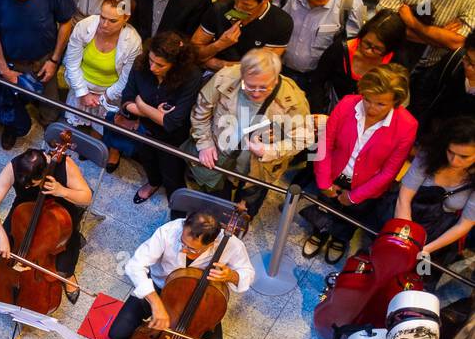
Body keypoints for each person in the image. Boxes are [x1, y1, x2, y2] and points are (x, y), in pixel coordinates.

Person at [303, 65, 416, 264]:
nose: (371, 108)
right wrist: (323, 181)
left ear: (396, 102)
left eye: (380, 104)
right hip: (332, 174)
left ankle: (339, 238)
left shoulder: (407, 126)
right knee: (323, 207)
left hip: (366, 187)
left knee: (351, 218)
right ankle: (319, 232)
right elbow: (324, 143)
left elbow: (389, 172)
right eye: (367, 99)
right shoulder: (347, 104)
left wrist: (355, 197)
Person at [109, 210, 255, 339]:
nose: (183, 250)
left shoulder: (231, 244)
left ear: (211, 244)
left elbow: (248, 273)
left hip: (202, 301)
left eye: (192, 249)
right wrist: (156, 304)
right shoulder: (168, 231)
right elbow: (135, 265)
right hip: (162, 290)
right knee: (118, 333)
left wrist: (232, 276)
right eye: (182, 242)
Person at [191, 49, 312, 216]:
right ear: (241, 74)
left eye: (264, 88)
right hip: (221, 159)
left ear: (276, 80)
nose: (256, 93)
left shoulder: (294, 99)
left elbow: (303, 138)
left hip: (259, 171)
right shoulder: (224, 79)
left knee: (247, 209)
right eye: (249, 86)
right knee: (216, 205)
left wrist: (269, 151)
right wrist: (204, 143)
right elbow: (201, 111)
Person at [0, 0, 76, 150]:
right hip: (11, 62)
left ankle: (49, 128)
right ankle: (12, 126)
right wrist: (4, 70)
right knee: (10, 102)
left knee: (50, 107)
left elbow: (66, 22)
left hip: (44, 60)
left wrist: (54, 60)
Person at [0, 141, 91, 303]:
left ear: (43, 174)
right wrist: (1, 236)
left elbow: (87, 197)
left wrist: (61, 191)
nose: (26, 187)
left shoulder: (65, 165)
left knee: (61, 268)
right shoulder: (16, 165)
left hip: (59, 218)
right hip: (24, 213)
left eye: (31, 184)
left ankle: (69, 275)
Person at [109, 31, 204, 206]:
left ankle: (176, 202)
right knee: (148, 161)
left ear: (175, 64)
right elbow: (127, 99)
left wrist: (142, 106)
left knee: (172, 172)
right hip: (144, 129)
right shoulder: (141, 64)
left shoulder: (191, 76)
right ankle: (153, 183)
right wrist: (152, 113)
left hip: (172, 137)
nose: (152, 67)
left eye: (160, 65)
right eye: (151, 60)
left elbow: (172, 122)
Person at [392, 117, 475, 280]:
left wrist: (425, 250)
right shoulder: (429, 154)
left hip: (441, 236)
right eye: (450, 152)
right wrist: (406, 238)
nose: (454, 161)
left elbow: (464, 225)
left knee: (419, 278)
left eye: (464, 157)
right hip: (405, 215)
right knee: (388, 261)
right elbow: (404, 197)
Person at [61, 0, 141, 132]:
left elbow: (125, 79)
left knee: (100, 131)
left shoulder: (133, 42)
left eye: (112, 21)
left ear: (126, 18)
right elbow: (72, 63)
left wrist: (104, 97)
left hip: (110, 93)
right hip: (80, 86)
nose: (104, 24)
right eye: (102, 17)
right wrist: (83, 93)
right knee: (74, 128)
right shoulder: (84, 26)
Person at [191, 0, 293, 72]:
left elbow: (262, 67)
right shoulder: (220, 9)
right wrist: (219, 44)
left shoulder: (281, 23)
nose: (237, 7)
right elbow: (193, 53)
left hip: (249, 81)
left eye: (246, 5)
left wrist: (218, 64)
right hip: (210, 74)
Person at [314, 10, 406, 113]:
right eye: (366, 43)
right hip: (335, 110)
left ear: (389, 49)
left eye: (378, 49)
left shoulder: (395, 62)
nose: (369, 51)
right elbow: (317, 82)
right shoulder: (340, 49)